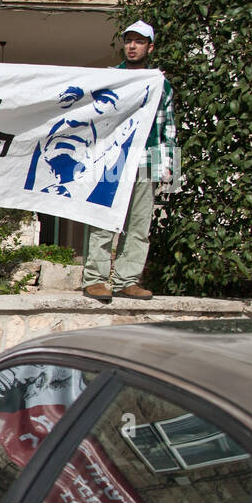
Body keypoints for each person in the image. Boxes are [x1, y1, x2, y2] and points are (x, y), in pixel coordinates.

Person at [82, 20, 177, 302]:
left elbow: (167, 126)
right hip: (112, 158)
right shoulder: (110, 78)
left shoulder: (161, 84)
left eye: (139, 41)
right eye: (128, 41)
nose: (132, 46)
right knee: (102, 218)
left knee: (139, 224)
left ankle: (127, 280)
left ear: (150, 46)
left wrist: (169, 164)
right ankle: (95, 279)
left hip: (146, 160)